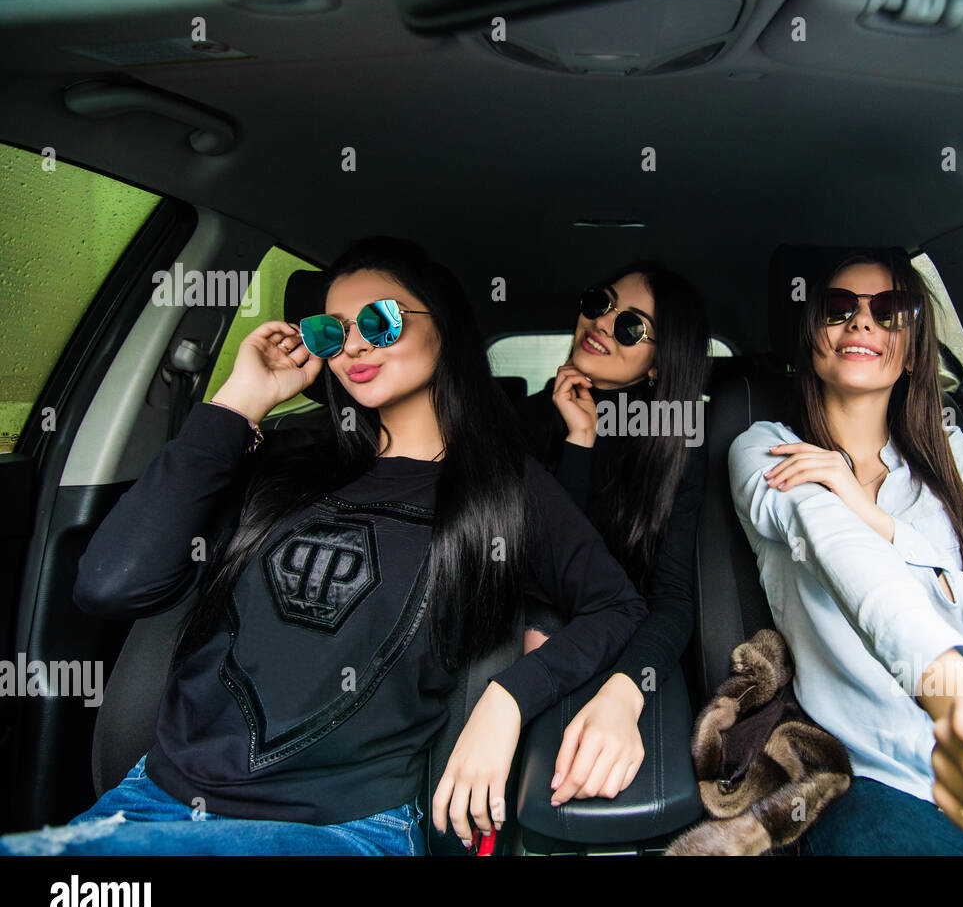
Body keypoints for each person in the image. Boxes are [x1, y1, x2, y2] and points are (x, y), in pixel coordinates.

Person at [0, 237, 646, 856]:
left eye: (380, 320)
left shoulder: (505, 486)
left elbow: (616, 605)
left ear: (443, 328)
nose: (354, 343)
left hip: (342, 829)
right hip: (151, 804)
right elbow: (111, 584)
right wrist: (240, 400)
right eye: (330, 331)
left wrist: (507, 698)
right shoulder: (280, 457)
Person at [728, 247, 963, 855]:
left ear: (911, 350)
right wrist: (955, 706)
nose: (862, 323)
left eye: (889, 312)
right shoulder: (767, 449)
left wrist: (875, 517)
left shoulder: (959, 462)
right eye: (839, 309)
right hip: (886, 777)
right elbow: (837, 547)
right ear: (812, 337)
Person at [515, 263, 709, 805]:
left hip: (631, 644)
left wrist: (627, 693)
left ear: (657, 364)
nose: (601, 323)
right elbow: (542, 574)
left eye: (630, 326)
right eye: (600, 302)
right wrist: (579, 440)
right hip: (528, 637)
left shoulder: (674, 440)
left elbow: (672, 600)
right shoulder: (527, 422)